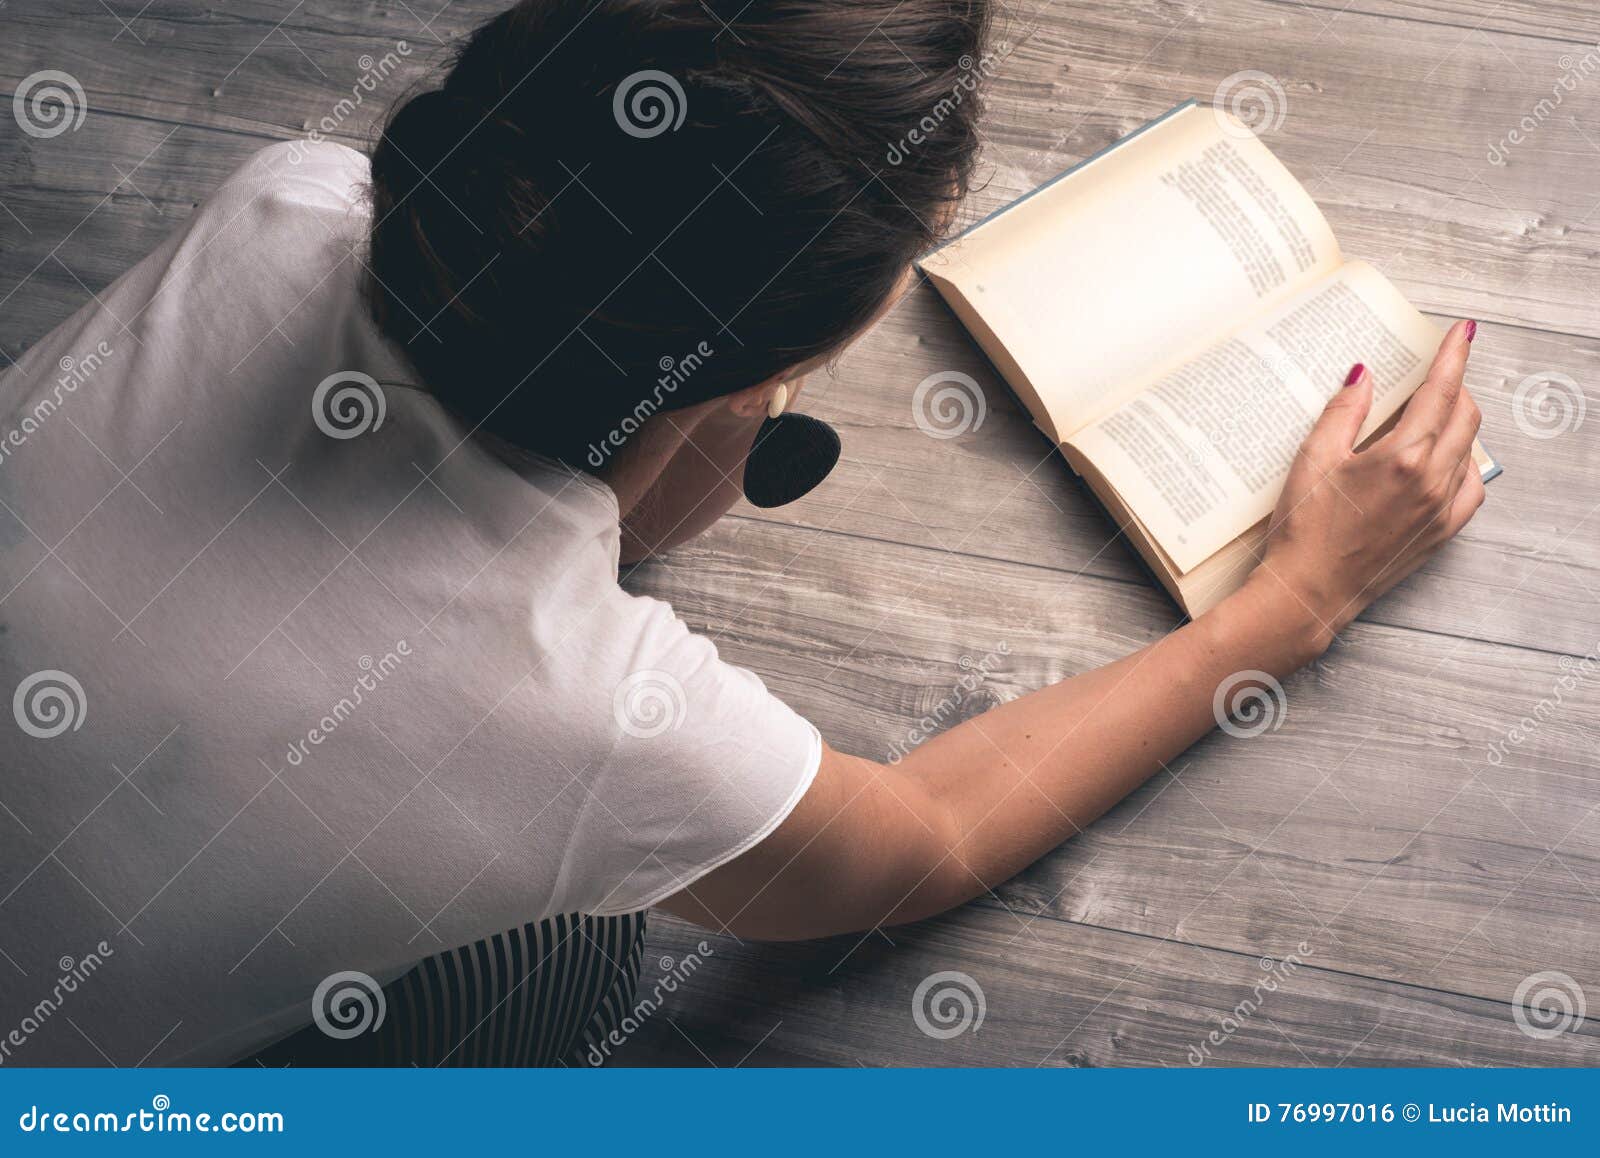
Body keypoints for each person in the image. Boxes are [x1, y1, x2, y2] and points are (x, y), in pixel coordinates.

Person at [0, 0, 1481, 1066]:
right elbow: (923, 842)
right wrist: (1292, 601)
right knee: (585, 960)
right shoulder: (600, 718)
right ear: (746, 382)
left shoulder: (285, 198)